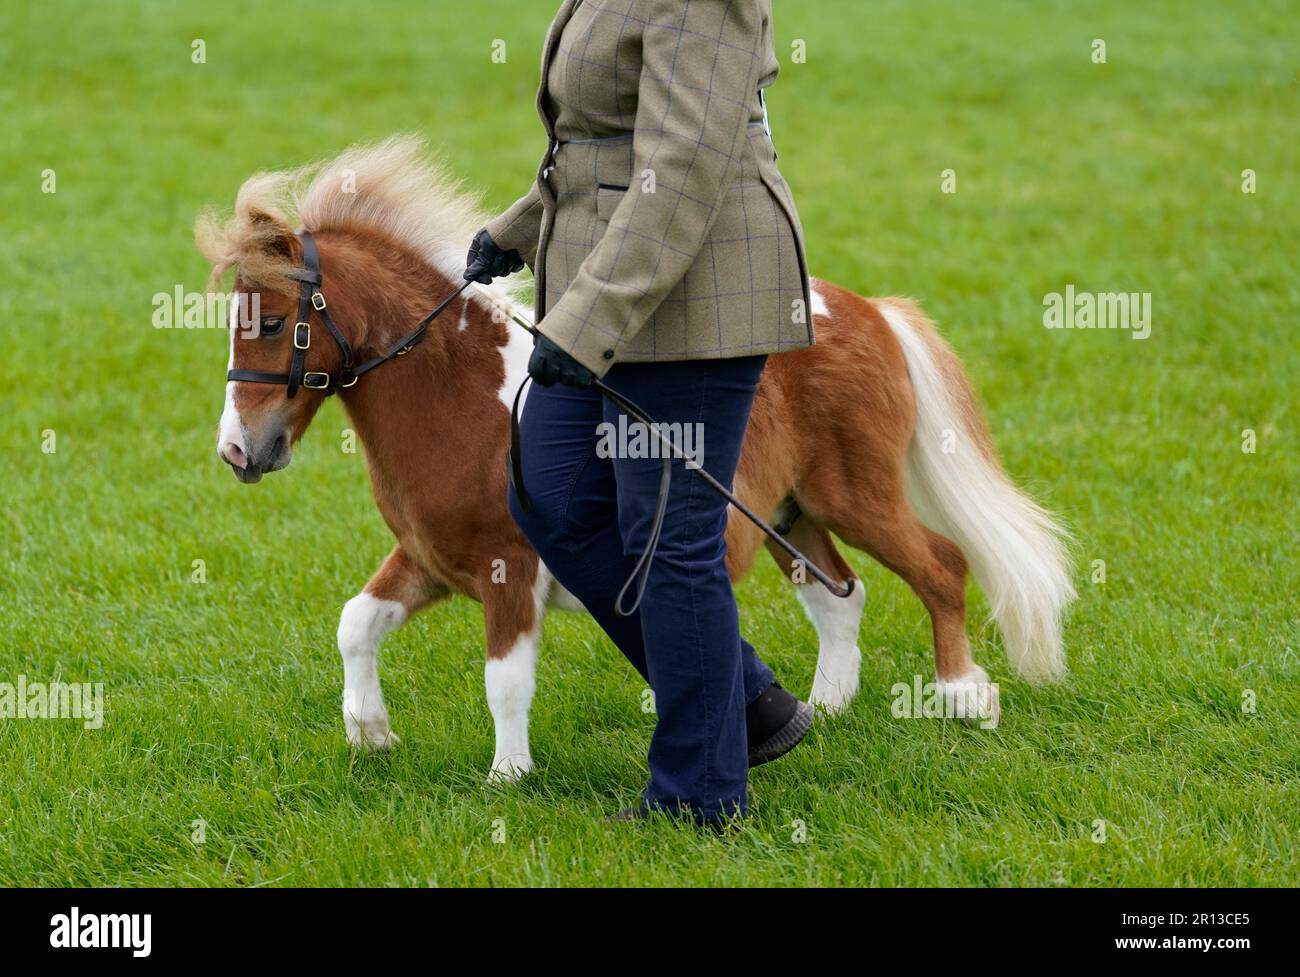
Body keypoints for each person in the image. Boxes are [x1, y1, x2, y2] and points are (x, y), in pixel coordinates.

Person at [465, 0, 816, 826]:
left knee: (668, 538)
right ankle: (744, 698)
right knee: (549, 491)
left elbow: (685, 163)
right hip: (613, 282)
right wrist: (518, 229)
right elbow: (596, 140)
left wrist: (587, 322)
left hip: (700, 296)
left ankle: (700, 793)